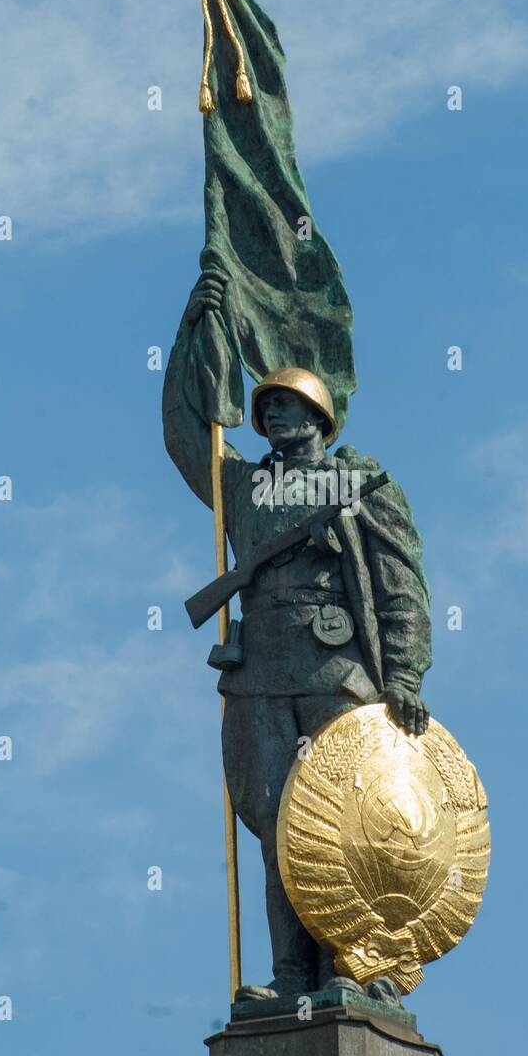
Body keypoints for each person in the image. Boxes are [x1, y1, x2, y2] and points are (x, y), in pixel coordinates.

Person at [164, 270, 433, 1004]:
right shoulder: (244, 491)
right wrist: (195, 334)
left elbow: (401, 582)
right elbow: (189, 431)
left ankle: (356, 965)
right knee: (279, 829)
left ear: (318, 414)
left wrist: (404, 676)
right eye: (266, 406)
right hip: (258, 675)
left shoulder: (360, 485)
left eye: (288, 404)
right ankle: (290, 977)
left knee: (346, 821)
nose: (275, 415)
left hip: (336, 669)